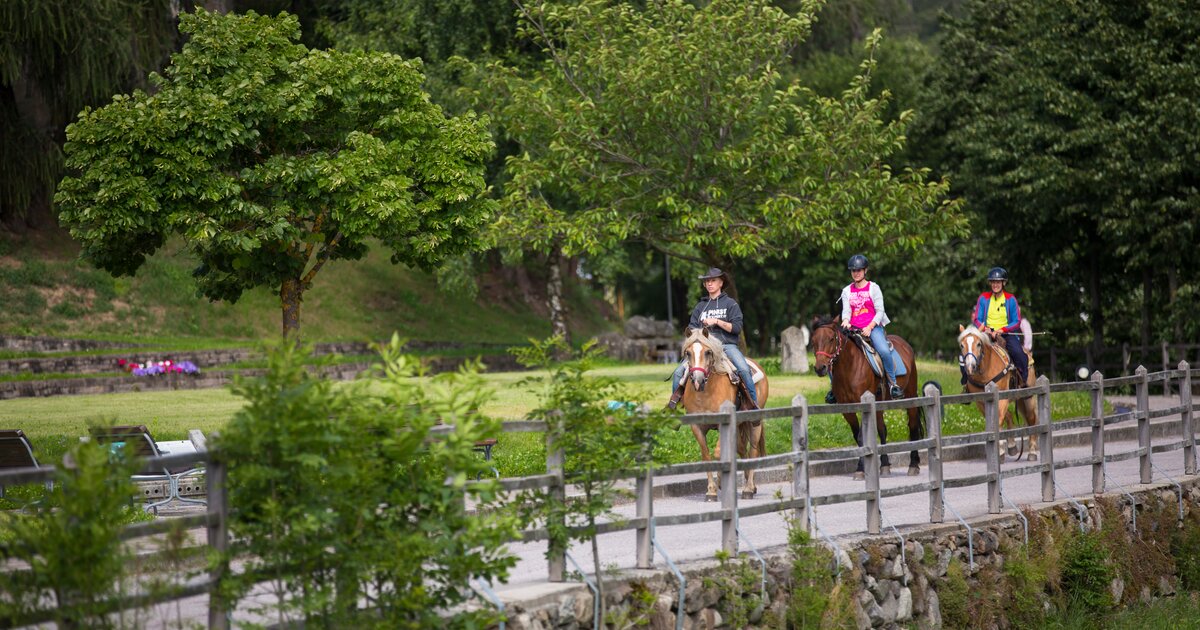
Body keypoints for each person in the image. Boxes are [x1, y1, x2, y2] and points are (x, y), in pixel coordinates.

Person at [667, 268, 758, 410]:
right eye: (707, 281)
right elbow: (691, 330)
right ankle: (676, 410)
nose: (709, 284)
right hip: (703, 348)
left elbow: (736, 328)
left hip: (727, 346)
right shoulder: (700, 307)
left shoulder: (730, 304)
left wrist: (716, 321)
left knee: (743, 369)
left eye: (713, 280)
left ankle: (753, 406)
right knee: (679, 373)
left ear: (721, 283)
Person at [825, 254, 903, 403]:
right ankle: (834, 388)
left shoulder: (874, 288)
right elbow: (846, 311)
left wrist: (870, 327)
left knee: (884, 351)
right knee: (834, 352)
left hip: (872, 327)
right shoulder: (847, 291)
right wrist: (846, 320)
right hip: (853, 329)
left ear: (865, 270)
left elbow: (880, 311)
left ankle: (893, 384)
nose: (856, 273)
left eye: (859, 270)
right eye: (853, 270)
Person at [966, 266, 1029, 386]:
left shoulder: (1010, 299)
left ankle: (1023, 380)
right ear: (990, 283)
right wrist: (986, 329)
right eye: (993, 282)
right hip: (986, 333)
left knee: (1018, 353)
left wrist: (1002, 330)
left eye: (998, 282)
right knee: (968, 351)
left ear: (1003, 283)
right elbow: (977, 319)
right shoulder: (983, 298)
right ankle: (966, 384)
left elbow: (1017, 321)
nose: (995, 285)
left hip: (1005, 334)